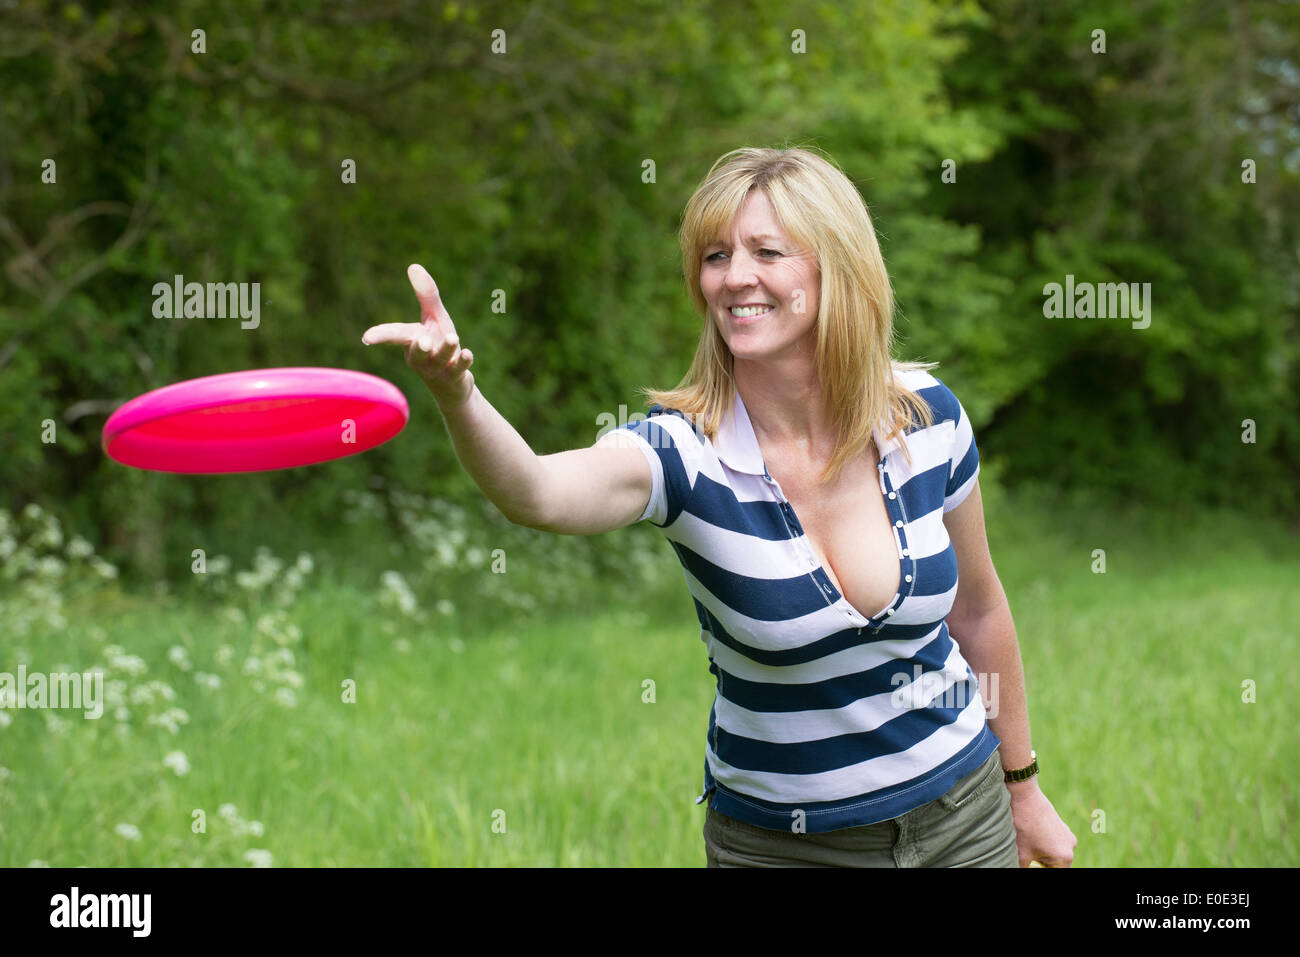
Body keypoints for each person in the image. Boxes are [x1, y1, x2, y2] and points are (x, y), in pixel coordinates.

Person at [362, 145, 1077, 868]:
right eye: (714, 255)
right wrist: (458, 392)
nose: (735, 277)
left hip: (963, 814)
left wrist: (1022, 788)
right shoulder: (682, 455)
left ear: (837, 266)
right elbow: (536, 491)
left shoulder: (927, 418)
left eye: (767, 251)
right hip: (783, 847)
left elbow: (980, 611)